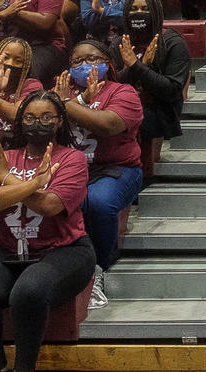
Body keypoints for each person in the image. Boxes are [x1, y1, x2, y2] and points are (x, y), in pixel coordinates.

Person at [0, 92, 96, 372]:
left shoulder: (72, 159)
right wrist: (33, 185)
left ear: (60, 122)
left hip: (64, 249)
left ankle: (25, 368)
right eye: (31, 117)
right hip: (6, 248)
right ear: (20, 122)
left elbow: (49, 205)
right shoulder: (2, 157)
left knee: (28, 292)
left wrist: (6, 180)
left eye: (47, 117)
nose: (38, 123)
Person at [52, 41, 143, 310]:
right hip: (67, 170)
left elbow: (108, 125)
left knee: (97, 202)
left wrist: (66, 105)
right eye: (77, 61)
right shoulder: (57, 91)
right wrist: (69, 101)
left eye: (93, 58)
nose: (85, 65)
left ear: (108, 62)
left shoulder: (123, 92)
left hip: (116, 169)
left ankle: (99, 269)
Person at [114, 0, 190, 174]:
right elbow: (114, 84)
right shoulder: (119, 43)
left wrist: (137, 66)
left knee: (137, 121)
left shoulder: (172, 43)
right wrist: (139, 66)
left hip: (160, 109)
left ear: (155, 12)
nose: (138, 13)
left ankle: (142, 177)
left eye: (145, 9)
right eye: (133, 9)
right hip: (122, 107)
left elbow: (171, 90)